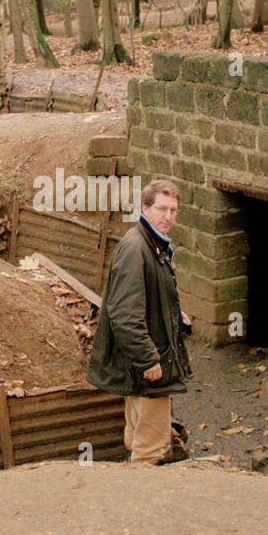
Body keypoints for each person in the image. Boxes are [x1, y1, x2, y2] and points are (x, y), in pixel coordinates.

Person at [87, 178, 192, 464]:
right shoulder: (137, 249)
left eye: (173, 210)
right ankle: (142, 485)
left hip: (143, 360)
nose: (168, 216)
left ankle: (128, 476)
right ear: (144, 207)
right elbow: (123, 314)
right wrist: (147, 358)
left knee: (136, 428)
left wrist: (174, 315)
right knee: (151, 443)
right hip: (150, 360)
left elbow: (146, 298)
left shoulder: (153, 245)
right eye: (161, 209)